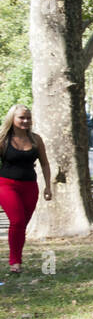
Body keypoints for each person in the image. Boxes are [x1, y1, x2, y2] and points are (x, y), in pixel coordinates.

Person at [0, 105, 53, 273]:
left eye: (28, 118)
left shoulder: (36, 140)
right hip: (6, 185)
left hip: (30, 186)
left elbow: (44, 163)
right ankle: (15, 263)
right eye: (21, 117)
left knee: (21, 225)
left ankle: (17, 259)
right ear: (12, 119)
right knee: (17, 221)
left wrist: (48, 186)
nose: (25, 121)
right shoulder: (3, 139)